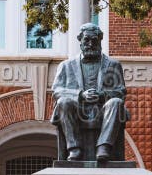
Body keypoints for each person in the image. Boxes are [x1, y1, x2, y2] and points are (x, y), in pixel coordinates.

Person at [51, 23, 129, 161]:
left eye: (94, 40)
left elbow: (120, 91)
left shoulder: (113, 65)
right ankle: (74, 148)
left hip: (103, 111)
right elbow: (57, 91)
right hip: (76, 110)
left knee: (116, 102)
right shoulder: (66, 66)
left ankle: (103, 146)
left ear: (100, 41)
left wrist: (102, 95)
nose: (90, 44)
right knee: (63, 102)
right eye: (86, 40)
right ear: (80, 41)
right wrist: (80, 95)